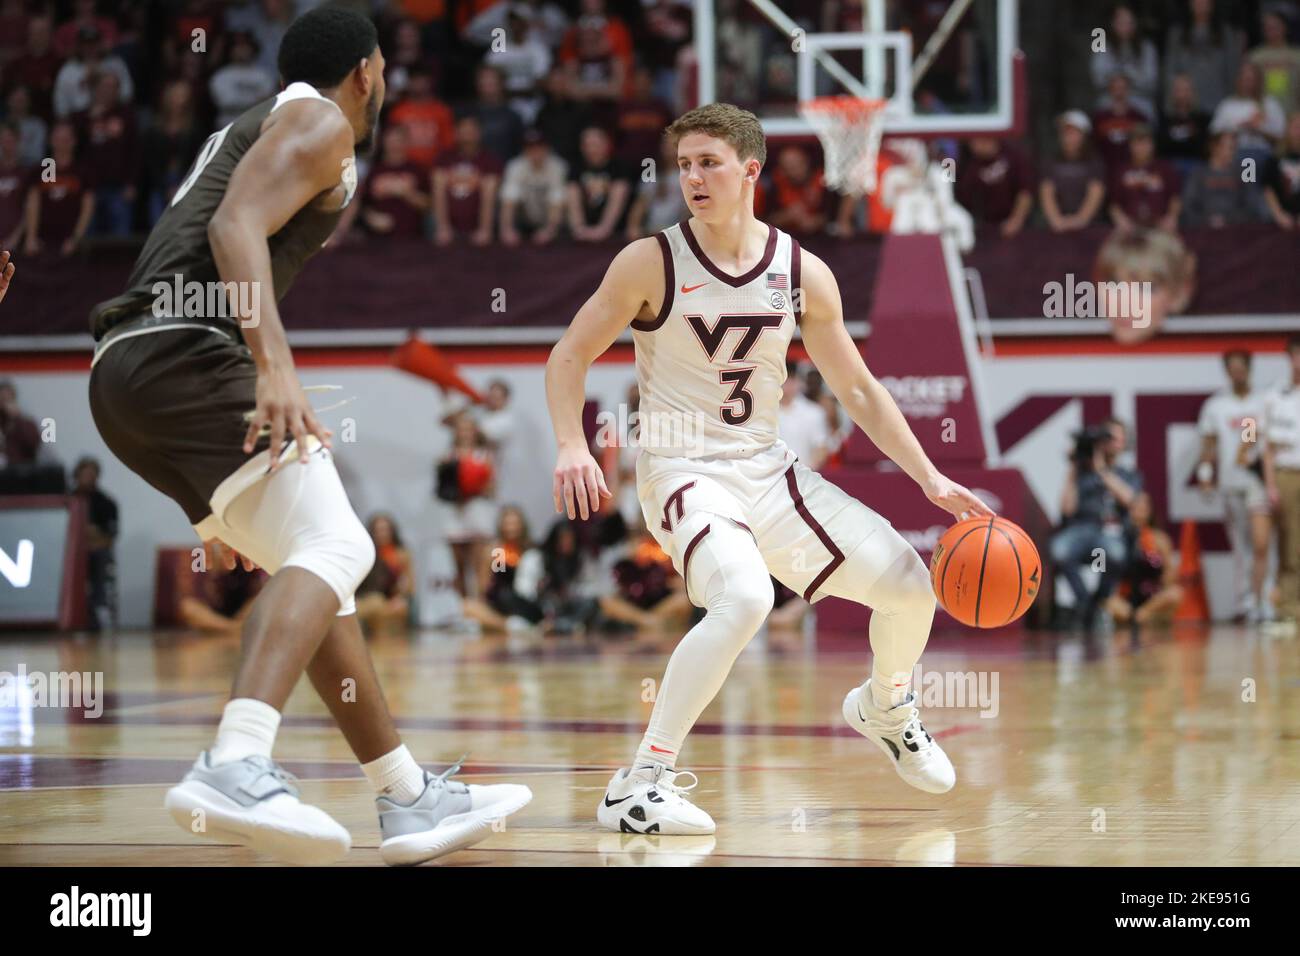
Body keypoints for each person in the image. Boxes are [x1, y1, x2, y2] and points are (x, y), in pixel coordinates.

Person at [85, 6, 530, 867]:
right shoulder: (321, 120)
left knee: (324, 582)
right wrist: (275, 367)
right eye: (384, 68)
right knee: (338, 545)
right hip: (184, 353)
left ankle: (406, 796)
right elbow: (232, 229)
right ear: (366, 71)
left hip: (129, 373)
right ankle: (237, 762)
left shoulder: (266, 125)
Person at [546, 102, 992, 834]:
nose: (693, 177)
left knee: (912, 587)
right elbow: (568, 356)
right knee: (746, 598)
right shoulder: (650, 260)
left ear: (750, 170)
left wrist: (929, 477)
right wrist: (571, 443)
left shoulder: (801, 272)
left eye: (709, 163)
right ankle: (640, 783)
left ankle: (886, 706)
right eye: (684, 165)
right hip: (682, 469)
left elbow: (857, 389)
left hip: (767, 469)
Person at [1197, 349, 1275, 624]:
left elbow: (1252, 437)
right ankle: (1246, 603)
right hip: (1231, 483)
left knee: (1263, 543)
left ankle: (1265, 599)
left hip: (1258, 482)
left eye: (1242, 367)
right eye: (1233, 368)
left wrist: (1248, 449)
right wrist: (1206, 475)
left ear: (1250, 369)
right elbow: (1208, 445)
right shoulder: (1216, 406)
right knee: (1242, 547)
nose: (1238, 373)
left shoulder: (1262, 400)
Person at [1050, 418, 1142, 629]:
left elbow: (1130, 500)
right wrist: (1073, 468)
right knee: (1059, 550)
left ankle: (1100, 601)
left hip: (1110, 532)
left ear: (1124, 443)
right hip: (1081, 528)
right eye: (1108, 437)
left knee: (1114, 554)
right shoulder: (1081, 474)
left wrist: (1101, 470)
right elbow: (1066, 509)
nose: (1111, 442)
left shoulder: (1127, 474)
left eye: (1116, 438)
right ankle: (1085, 603)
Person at [1262, 334, 1300, 635]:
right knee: (1290, 543)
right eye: (1296, 354)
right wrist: (1271, 485)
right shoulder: (1274, 397)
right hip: (1288, 474)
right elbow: (1266, 447)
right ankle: (1287, 610)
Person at [1105, 492, 1183, 630]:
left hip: (1152, 599)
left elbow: (1169, 573)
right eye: (1136, 508)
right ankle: (1138, 618)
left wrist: (1164, 588)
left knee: (1176, 594)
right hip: (1128, 599)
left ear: (1150, 512)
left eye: (1143, 508)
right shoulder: (1121, 539)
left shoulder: (1160, 539)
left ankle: (1142, 616)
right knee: (1111, 603)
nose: (1139, 513)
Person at [178, 540, 268, 634]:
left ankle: (230, 628)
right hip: (212, 615)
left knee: (259, 600)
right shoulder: (200, 565)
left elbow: (258, 593)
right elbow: (191, 602)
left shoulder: (243, 564)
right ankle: (234, 628)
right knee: (188, 607)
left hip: (241, 613)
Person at [1039, 110, 1106, 232]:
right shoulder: (1051, 160)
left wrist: (1080, 220)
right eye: (1065, 132)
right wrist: (1056, 221)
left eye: (1073, 132)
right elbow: (1046, 191)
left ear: (1084, 135)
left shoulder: (1094, 162)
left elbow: (1095, 192)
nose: (1068, 137)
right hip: (1057, 227)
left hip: (1089, 227)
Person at [71, 456, 117, 630]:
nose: (88, 478)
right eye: (85, 474)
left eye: (92, 474)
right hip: (71, 554)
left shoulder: (107, 503)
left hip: (95, 552)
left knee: (100, 557)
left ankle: (98, 606)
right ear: (77, 475)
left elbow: (109, 537)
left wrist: (90, 537)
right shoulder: (67, 500)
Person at [1263, 111, 1300, 228]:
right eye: (1296, 128)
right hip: (1279, 218)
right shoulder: (1275, 158)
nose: (1299, 133)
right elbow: (1268, 189)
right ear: (1287, 129)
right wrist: (1278, 214)